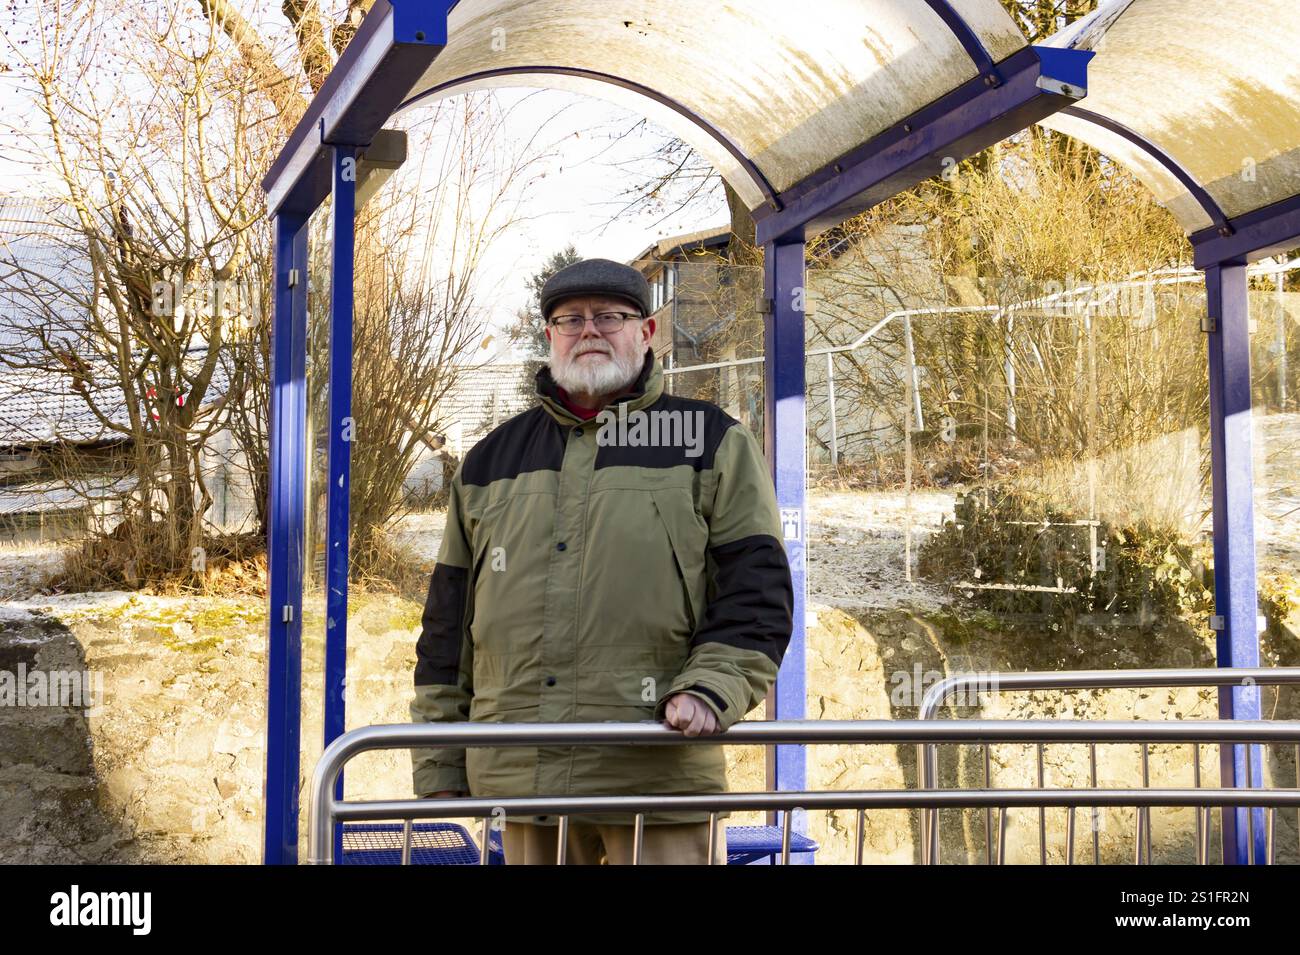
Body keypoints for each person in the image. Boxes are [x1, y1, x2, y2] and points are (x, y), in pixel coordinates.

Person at [410, 257, 793, 864]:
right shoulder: (488, 461)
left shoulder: (712, 442)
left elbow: (758, 594)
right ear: (550, 338)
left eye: (609, 316)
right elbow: (447, 624)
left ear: (647, 333)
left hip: (656, 772)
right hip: (522, 777)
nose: (589, 330)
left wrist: (711, 689)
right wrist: (439, 755)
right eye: (570, 319)